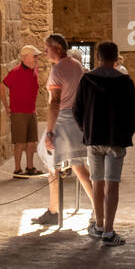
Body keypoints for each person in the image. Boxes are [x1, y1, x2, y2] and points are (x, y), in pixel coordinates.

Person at [73, 40, 135, 247]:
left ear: (98, 58)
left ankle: (99, 225)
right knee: (112, 184)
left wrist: (86, 129)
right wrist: (127, 132)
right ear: (115, 57)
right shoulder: (125, 82)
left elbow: (77, 110)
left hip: (94, 138)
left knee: (97, 182)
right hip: (116, 139)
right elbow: (133, 112)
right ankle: (109, 231)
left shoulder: (87, 81)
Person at [33, 34, 94, 228]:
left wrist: (49, 132)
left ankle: (54, 210)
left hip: (62, 124)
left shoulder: (57, 70)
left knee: (53, 167)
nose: (44, 51)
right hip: (76, 122)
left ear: (58, 48)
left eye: (47, 48)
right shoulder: (76, 65)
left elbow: (55, 103)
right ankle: (97, 208)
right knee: (79, 167)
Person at [2, 44, 42, 177]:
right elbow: (1, 87)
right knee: (19, 142)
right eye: (34, 56)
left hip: (31, 112)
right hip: (18, 113)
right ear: (25, 57)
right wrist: (7, 106)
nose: (36, 58)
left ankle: (30, 168)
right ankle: (17, 170)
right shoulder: (15, 72)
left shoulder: (35, 70)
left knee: (31, 142)